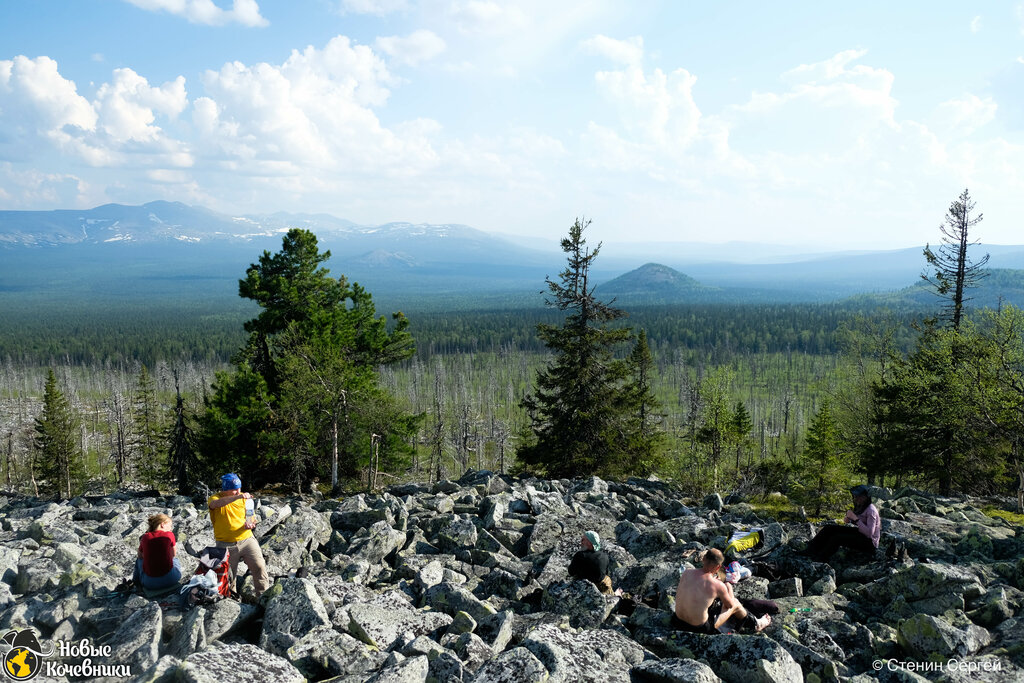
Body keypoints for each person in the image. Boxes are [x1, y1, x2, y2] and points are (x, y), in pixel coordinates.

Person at [673, 548, 771, 634]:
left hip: (678, 621)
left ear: (703, 559)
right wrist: (728, 587)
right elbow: (730, 606)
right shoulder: (718, 585)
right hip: (699, 628)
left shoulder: (686, 573)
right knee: (736, 604)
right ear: (718, 567)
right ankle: (758, 624)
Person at [208, 472, 270, 599]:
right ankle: (233, 600)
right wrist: (237, 497)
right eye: (234, 490)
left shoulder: (244, 499)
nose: (238, 492)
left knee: (259, 566)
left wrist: (252, 523)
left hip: (247, 539)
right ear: (225, 489)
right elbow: (215, 505)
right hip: (225, 544)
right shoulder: (215, 498)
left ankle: (263, 597)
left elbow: (251, 516)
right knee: (230, 576)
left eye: (239, 489)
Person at [803, 485, 881, 562]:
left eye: (857, 496)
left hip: (870, 543)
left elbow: (869, 533)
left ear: (864, 497)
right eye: (854, 496)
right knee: (829, 528)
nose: (855, 499)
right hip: (861, 534)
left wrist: (855, 519)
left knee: (837, 538)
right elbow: (861, 523)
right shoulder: (862, 506)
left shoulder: (871, 511)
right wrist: (850, 520)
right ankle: (810, 551)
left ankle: (821, 559)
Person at [135, 513, 182, 590]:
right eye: (170, 526)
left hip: (150, 584)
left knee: (139, 561)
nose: (170, 529)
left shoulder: (145, 537)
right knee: (175, 560)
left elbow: (140, 556)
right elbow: (173, 554)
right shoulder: (169, 535)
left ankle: (136, 583)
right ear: (162, 524)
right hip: (172, 579)